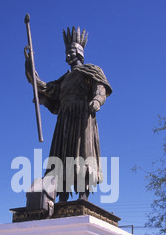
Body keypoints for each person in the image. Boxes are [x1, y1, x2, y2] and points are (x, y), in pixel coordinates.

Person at [25, 26, 112, 202]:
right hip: (64, 120)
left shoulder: (91, 71)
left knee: (82, 154)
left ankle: (83, 195)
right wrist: (29, 65)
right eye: (67, 52)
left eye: (72, 51)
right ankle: (62, 196)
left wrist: (96, 100)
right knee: (62, 155)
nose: (68, 55)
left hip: (82, 116)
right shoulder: (63, 80)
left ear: (80, 53)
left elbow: (100, 88)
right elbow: (43, 87)